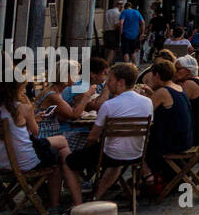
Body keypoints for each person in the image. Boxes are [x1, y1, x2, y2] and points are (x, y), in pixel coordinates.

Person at [0, 79, 83, 215]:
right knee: (58, 158)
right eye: (23, 87)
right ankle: (67, 203)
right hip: (24, 161)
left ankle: (71, 200)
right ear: (17, 89)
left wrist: (32, 117)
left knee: (60, 145)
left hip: (0, 162)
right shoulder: (23, 107)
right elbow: (35, 132)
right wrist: (30, 112)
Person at [65, 62, 152, 199]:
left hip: (111, 155)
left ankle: (79, 196)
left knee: (69, 160)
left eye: (110, 80)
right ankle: (96, 196)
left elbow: (93, 137)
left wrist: (84, 150)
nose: (107, 83)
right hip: (137, 153)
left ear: (120, 82)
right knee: (114, 159)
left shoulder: (109, 105)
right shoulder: (147, 102)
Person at [139, 60, 192, 193]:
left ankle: (147, 177)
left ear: (157, 75)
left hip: (171, 143)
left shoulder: (162, 92)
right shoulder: (178, 88)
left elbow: (144, 113)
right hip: (185, 139)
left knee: (136, 146)